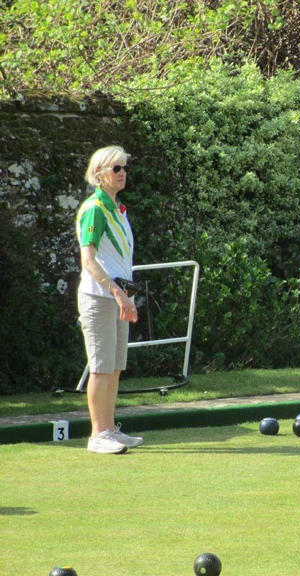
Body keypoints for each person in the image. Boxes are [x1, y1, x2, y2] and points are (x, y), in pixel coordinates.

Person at [76, 145, 143, 454]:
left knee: (115, 367)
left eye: (124, 168)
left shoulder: (117, 208)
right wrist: (116, 292)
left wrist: (124, 294)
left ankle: (109, 428)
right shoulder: (94, 208)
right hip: (100, 297)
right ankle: (97, 434)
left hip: (118, 297)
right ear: (99, 173)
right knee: (101, 366)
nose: (122, 173)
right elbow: (88, 260)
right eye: (116, 168)